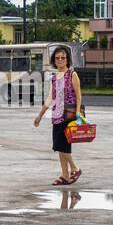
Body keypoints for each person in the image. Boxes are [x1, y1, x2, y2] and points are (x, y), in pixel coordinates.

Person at [33, 46, 84, 186]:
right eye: (57, 58)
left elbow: (79, 95)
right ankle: (65, 175)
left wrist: (78, 112)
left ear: (67, 59)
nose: (60, 60)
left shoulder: (72, 75)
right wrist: (40, 115)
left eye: (63, 57)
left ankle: (75, 168)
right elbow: (50, 98)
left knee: (63, 146)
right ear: (54, 61)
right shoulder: (54, 78)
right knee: (59, 147)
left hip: (69, 114)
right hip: (56, 115)